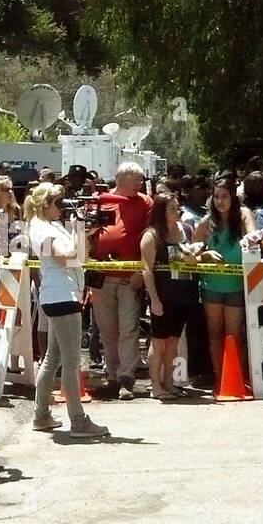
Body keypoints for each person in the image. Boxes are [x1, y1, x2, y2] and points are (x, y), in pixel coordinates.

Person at [25, 182, 108, 436]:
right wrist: (81, 232)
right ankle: (78, 420)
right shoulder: (41, 229)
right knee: (71, 362)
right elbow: (64, 257)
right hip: (61, 296)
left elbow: (78, 257)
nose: (62, 207)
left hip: (62, 294)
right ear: (45, 205)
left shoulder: (53, 226)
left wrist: (84, 230)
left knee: (54, 358)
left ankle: (41, 415)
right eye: (58, 203)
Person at [89, 162, 153, 400]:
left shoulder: (145, 202)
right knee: (107, 330)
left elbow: (151, 235)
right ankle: (112, 376)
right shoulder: (99, 199)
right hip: (102, 276)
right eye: (138, 179)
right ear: (124, 179)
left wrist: (142, 272)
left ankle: (126, 377)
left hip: (130, 277)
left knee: (128, 327)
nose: (141, 184)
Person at [142, 189, 207, 400]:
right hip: (163, 294)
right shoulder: (151, 235)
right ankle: (155, 385)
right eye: (172, 208)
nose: (177, 211)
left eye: (178, 207)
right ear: (161, 211)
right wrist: (154, 299)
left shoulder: (186, 230)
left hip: (184, 293)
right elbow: (146, 270)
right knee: (158, 341)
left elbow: (195, 258)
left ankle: (170, 383)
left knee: (173, 341)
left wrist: (193, 257)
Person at [193, 175, 256, 386]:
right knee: (215, 333)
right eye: (216, 197)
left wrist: (250, 238)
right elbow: (190, 254)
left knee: (234, 334)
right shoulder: (205, 222)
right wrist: (206, 255)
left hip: (236, 285)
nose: (220, 201)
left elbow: (253, 236)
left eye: (225, 196)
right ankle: (221, 377)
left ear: (233, 197)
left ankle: (238, 376)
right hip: (211, 285)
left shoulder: (243, 215)